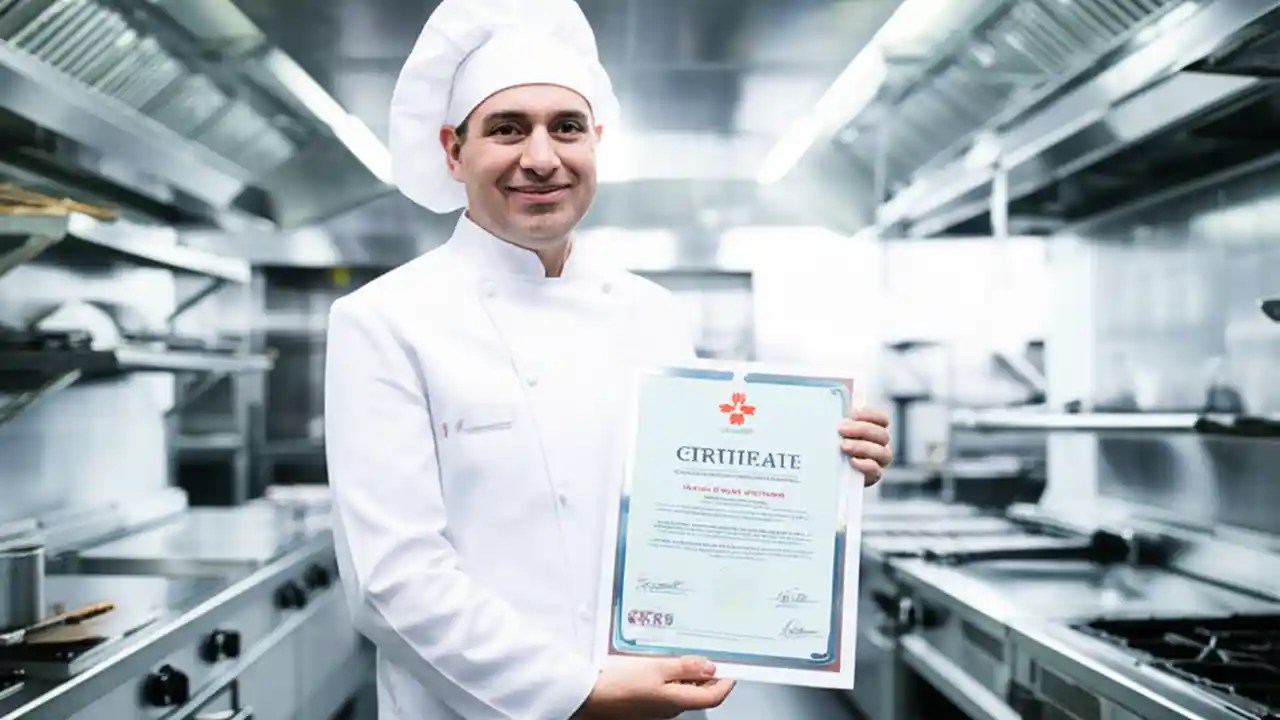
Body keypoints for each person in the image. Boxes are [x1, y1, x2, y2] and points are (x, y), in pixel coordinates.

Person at [323, 1, 893, 718]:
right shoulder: (384, 321)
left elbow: (696, 506)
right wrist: (579, 693)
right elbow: (392, 580)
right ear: (452, 150)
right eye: (507, 129)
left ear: (596, 141)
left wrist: (822, 479)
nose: (540, 157)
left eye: (566, 127)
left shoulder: (651, 313)